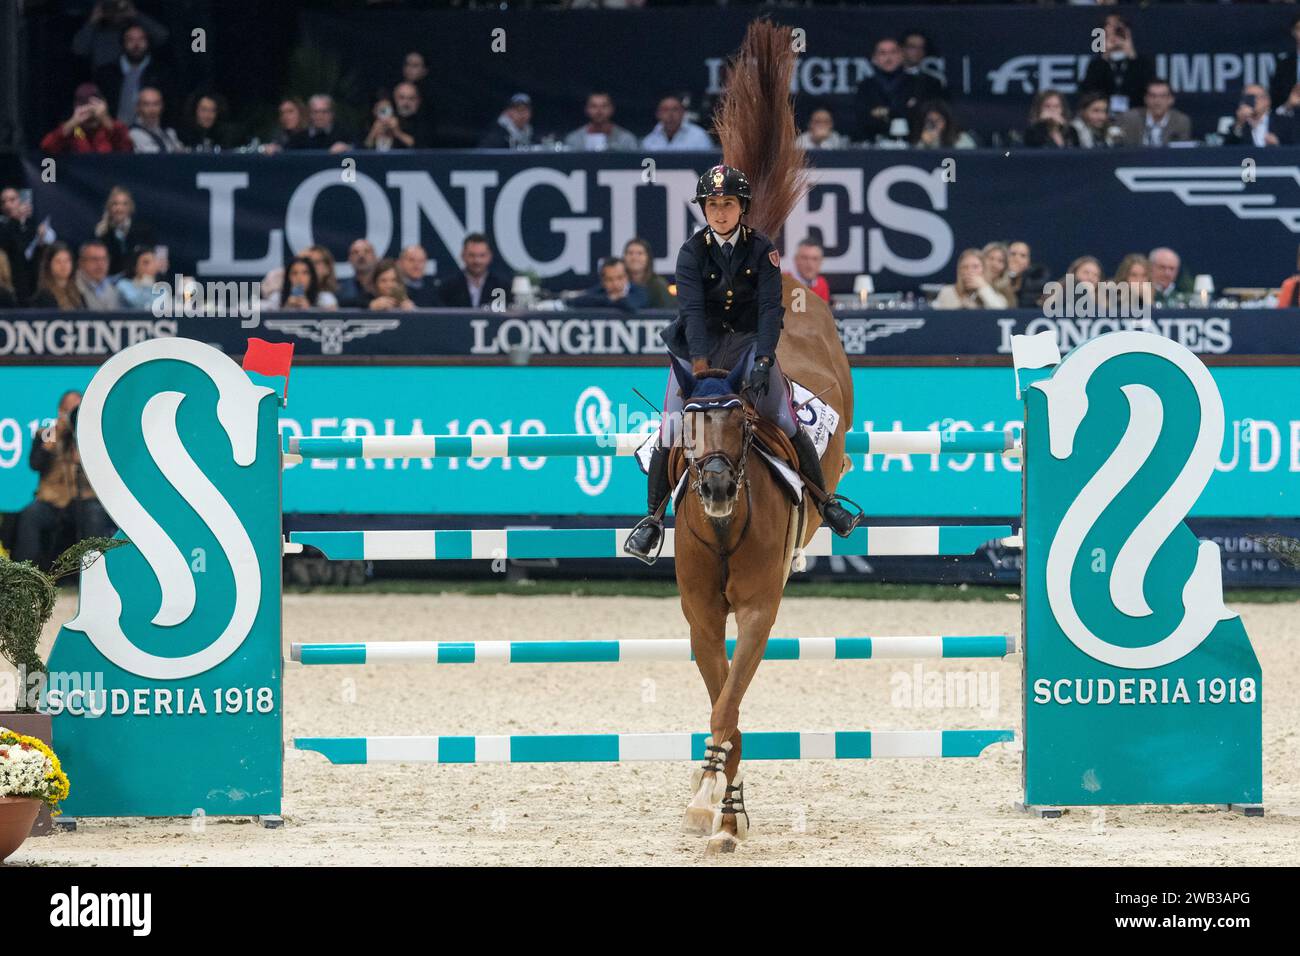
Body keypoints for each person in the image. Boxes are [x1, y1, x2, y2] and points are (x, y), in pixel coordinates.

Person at [624, 164, 860, 563]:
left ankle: (826, 499)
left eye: (728, 204)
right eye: (713, 204)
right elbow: (693, 313)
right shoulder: (691, 252)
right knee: (671, 425)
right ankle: (651, 520)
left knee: (784, 417)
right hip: (698, 348)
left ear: (741, 207)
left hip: (749, 346)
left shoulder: (761, 248)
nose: (720, 212)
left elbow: (771, 309)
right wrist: (698, 366)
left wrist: (766, 359)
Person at [11, 391, 114, 570]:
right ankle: (26, 575)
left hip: (84, 501)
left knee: (95, 513)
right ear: (60, 411)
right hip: (52, 502)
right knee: (31, 514)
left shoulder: (92, 437)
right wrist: (53, 439)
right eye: (70, 410)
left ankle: (96, 573)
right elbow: (35, 464)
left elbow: (106, 472)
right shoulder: (45, 434)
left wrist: (83, 449)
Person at [92, 22, 171, 125]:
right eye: (130, 39)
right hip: (112, 132)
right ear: (122, 43)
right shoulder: (106, 73)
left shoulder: (161, 73)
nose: (136, 44)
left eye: (141, 39)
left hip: (151, 133)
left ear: (148, 42)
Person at [1079, 14, 1155, 117]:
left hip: (1135, 118)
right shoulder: (1097, 64)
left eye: (1118, 29)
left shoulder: (1141, 63)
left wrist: (1131, 54)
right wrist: (1105, 53)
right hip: (1103, 116)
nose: (1114, 34)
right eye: (1109, 28)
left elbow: (1149, 90)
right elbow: (1089, 92)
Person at [855, 38, 922, 142]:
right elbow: (862, 118)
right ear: (874, 58)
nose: (888, 57)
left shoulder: (916, 83)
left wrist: (884, 112)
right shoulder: (865, 86)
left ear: (901, 56)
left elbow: (918, 116)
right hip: (874, 144)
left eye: (893, 52)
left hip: (911, 142)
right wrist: (899, 110)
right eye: (882, 53)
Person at [73, 1, 168, 71]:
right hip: (106, 83)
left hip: (142, 80)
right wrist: (93, 21)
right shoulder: (96, 33)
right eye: (110, 7)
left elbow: (162, 36)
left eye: (118, 7)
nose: (115, 12)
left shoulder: (138, 30)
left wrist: (135, 14)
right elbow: (78, 49)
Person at [40, 83, 133, 155]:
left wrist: (104, 118)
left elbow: (128, 150)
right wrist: (72, 123)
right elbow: (47, 148)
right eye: (84, 105)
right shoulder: (74, 130)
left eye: (92, 106)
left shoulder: (113, 128)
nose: (90, 114)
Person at [0, 186, 56, 300]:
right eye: (3, 202)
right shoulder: (4, 226)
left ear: (21, 201)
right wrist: (14, 219)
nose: (7, 205)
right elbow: (13, 247)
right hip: (11, 283)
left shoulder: (31, 223)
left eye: (12, 200)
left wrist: (41, 239)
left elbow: (47, 242)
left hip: (33, 281)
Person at [438, 234, 511, 309]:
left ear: (489, 256)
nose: (477, 261)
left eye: (482, 255)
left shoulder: (502, 286)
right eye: (472, 255)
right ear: (463, 256)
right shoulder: (448, 287)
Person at [94, 186, 153, 276]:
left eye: (124, 204)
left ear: (130, 207)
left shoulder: (143, 230)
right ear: (109, 208)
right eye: (115, 204)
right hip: (110, 282)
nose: (119, 209)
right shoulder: (102, 232)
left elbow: (152, 257)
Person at [1116, 80, 1191, 147]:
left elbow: (1181, 153)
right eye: (1152, 96)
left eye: (1163, 96)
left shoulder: (1181, 121)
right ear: (1145, 99)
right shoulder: (1129, 118)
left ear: (1171, 100)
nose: (1157, 101)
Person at [932, 248, 1009, 309]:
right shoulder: (947, 292)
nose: (969, 271)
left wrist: (983, 287)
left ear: (984, 269)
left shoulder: (996, 295)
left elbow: (1000, 314)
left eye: (975, 267)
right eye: (964, 267)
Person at [564, 92, 639, 151]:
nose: (599, 111)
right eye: (594, 106)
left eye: (604, 106)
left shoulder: (626, 139)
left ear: (612, 109)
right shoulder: (574, 139)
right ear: (586, 109)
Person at [1224, 84, 1295, 147]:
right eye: (1249, 98)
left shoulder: (1284, 123)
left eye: (1256, 97)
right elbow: (1227, 150)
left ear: (1267, 101)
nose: (1253, 101)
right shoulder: (1235, 124)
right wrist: (1239, 124)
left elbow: (1294, 150)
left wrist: (1277, 146)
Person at [571, 258, 648, 313]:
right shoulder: (600, 289)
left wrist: (615, 299)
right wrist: (609, 298)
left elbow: (631, 304)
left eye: (620, 278)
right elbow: (579, 300)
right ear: (603, 281)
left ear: (627, 277)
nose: (615, 284)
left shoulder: (639, 291)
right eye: (610, 279)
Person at [641, 94, 713, 150]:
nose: (670, 114)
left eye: (675, 109)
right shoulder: (649, 141)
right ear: (658, 114)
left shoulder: (699, 136)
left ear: (683, 113)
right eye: (665, 110)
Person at [264, 255, 336, 310]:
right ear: (287, 278)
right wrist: (285, 310)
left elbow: (333, 322)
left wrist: (309, 310)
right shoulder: (277, 298)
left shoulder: (325, 298)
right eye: (294, 273)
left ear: (312, 277)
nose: (299, 278)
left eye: (305, 273)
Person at [27, 243, 84, 309]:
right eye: (58, 261)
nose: (63, 265)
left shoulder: (78, 293)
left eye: (67, 261)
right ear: (49, 265)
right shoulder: (44, 297)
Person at [127, 86, 183, 153]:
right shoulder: (132, 134)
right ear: (138, 107)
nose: (152, 109)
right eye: (146, 104)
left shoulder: (169, 133)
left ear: (162, 106)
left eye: (156, 104)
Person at [622, 238, 675, 308]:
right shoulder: (617, 283)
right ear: (624, 257)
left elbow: (667, 311)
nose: (634, 257)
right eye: (630, 253)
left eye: (640, 253)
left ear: (648, 258)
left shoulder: (658, 284)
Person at [74, 240, 122, 311]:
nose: (100, 264)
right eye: (94, 259)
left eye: (104, 259)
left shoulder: (114, 287)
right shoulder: (73, 287)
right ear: (81, 262)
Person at [911, 100, 975, 149]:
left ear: (946, 121)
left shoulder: (961, 138)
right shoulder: (922, 139)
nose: (934, 124)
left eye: (938, 120)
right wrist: (924, 143)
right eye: (929, 121)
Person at [1006, 241, 1049, 308]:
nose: (1016, 259)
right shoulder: (997, 277)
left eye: (1023, 256)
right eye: (1013, 254)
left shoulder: (1038, 276)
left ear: (1028, 261)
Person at [336, 239, 378, 307]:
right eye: (355, 252)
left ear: (375, 257)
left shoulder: (385, 284)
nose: (361, 255)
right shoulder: (340, 289)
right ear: (349, 258)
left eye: (367, 251)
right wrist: (368, 305)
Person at [393, 82, 435, 149]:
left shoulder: (426, 122)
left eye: (411, 98)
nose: (406, 103)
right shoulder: (389, 118)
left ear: (418, 101)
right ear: (395, 98)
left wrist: (397, 132)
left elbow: (422, 147)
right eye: (401, 98)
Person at [981, 242, 1015, 306]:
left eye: (1000, 261)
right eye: (991, 258)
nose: (994, 264)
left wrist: (982, 286)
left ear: (1005, 267)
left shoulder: (1007, 292)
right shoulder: (969, 283)